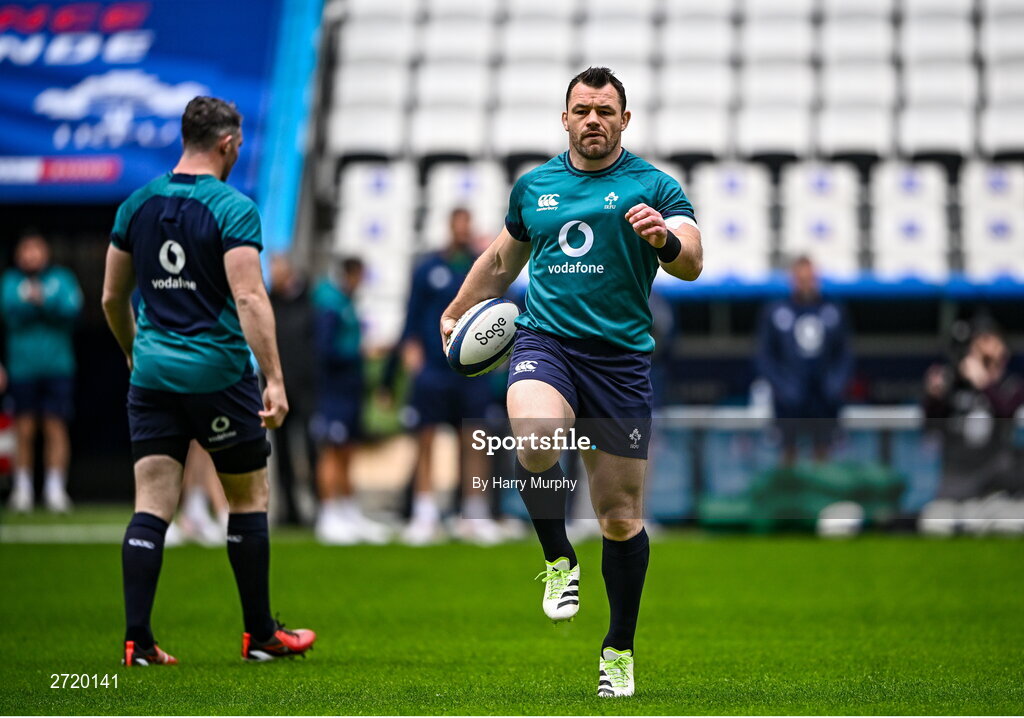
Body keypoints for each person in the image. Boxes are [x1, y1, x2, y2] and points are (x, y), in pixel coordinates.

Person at [441, 67, 702, 698]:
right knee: (532, 439)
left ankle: (619, 648)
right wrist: (457, 308)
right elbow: (503, 259)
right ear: (565, 118)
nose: (593, 120)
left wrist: (664, 239)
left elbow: (692, 262)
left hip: (619, 361)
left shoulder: (655, 186)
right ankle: (558, 557)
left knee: (618, 517)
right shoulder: (536, 186)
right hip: (545, 340)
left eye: (605, 111)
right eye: (581, 110)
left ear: (624, 119)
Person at [102, 96, 315, 666]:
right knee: (248, 498)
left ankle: (138, 642)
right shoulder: (233, 208)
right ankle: (261, 636)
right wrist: (273, 376)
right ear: (226, 143)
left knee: (151, 505)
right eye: (239, 144)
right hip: (219, 375)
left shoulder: (135, 204)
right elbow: (248, 294)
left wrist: (133, 353)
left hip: (151, 377)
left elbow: (111, 297)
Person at [398, 207, 504, 546]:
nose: (462, 230)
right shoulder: (429, 268)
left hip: (473, 371)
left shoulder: (482, 267)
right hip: (433, 368)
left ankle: (474, 513)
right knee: (426, 438)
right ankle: (425, 513)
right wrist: (411, 353)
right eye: (458, 224)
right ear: (449, 226)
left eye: (467, 224)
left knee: (475, 440)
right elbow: (412, 315)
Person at [1, 232, 82, 513]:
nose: (31, 255)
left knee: (55, 427)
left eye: (36, 249)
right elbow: (8, 307)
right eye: (26, 249)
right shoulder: (10, 281)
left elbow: (72, 308)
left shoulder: (61, 279)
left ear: (45, 252)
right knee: (23, 428)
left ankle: (55, 489)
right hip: (22, 368)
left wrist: (43, 302)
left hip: (57, 366)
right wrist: (30, 303)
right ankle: (22, 490)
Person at [311, 256, 389, 545]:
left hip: (349, 390)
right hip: (333, 391)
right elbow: (325, 350)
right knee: (331, 451)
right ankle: (328, 514)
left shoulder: (345, 303)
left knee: (347, 451)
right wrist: (361, 354)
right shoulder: (330, 305)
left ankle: (346, 510)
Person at [920, 323, 1024, 534]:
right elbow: (930, 427)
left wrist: (984, 382)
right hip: (954, 490)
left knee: (1009, 525)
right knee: (934, 525)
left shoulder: (1011, 387)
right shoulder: (955, 386)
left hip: (996, 492)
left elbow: (1006, 413)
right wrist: (934, 397)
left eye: (993, 356)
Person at [755, 256, 853, 465]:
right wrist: (782, 387)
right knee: (788, 454)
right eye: (800, 279)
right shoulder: (776, 312)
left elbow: (844, 354)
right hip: (788, 400)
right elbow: (765, 357)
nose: (806, 283)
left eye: (810, 278)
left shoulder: (833, 311)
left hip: (824, 398)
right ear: (792, 280)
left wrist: (835, 385)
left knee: (823, 452)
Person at [268, 253, 316, 526]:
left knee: (311, 450)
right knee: (283, 453)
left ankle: (319, 506)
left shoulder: (306, 303)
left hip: (306, 391)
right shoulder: (268, 303)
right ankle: (289, 510)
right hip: (278, 390)